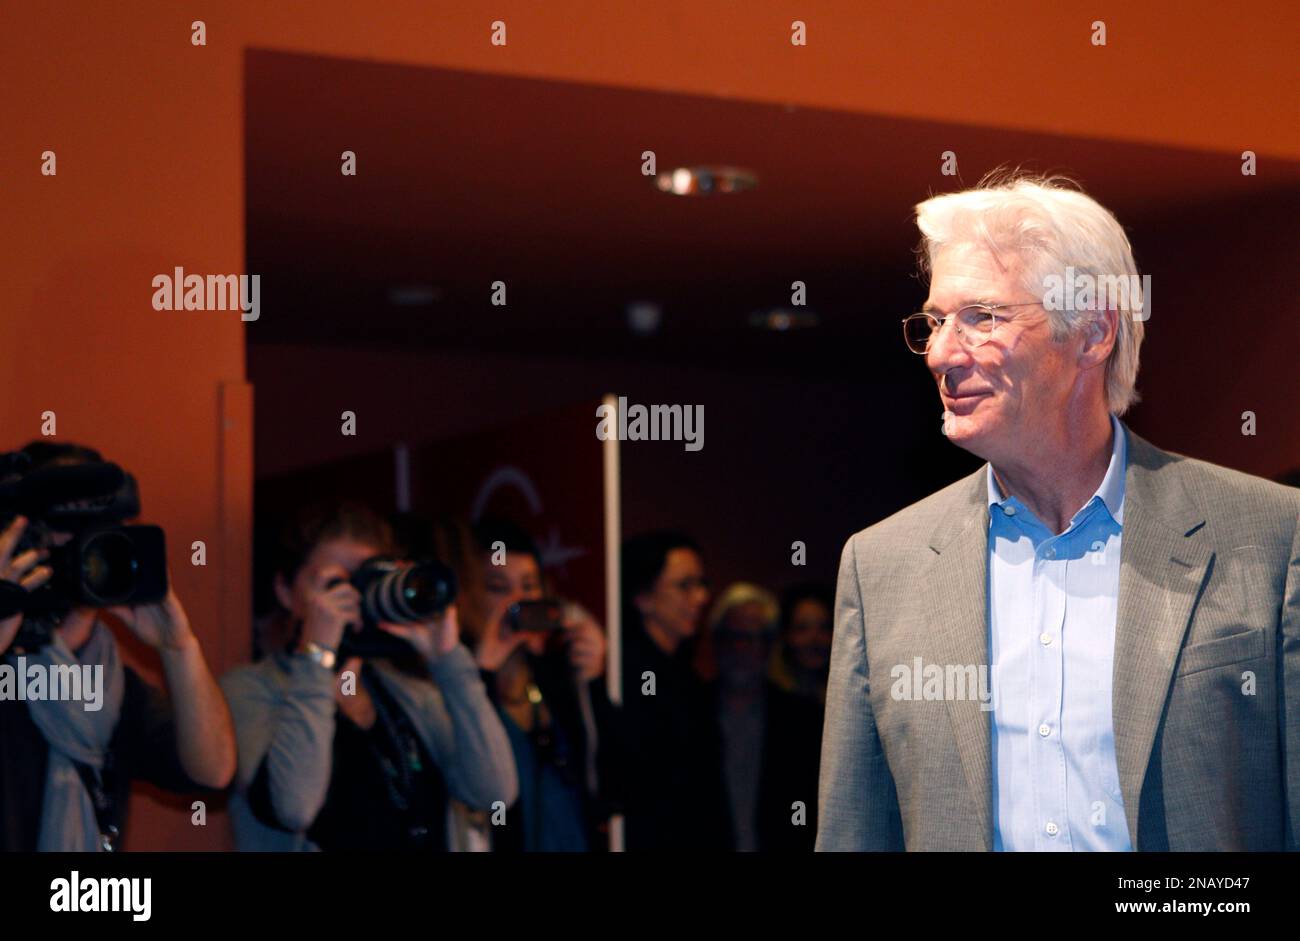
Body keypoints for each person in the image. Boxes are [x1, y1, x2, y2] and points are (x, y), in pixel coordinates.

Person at [818, 172, 1300, 852]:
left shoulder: (1271, 538)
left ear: (1093, 332)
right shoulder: (882, 566)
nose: (941, 353)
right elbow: (853, 833)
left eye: (981, 317)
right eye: (934, 321)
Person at [221, 502, 517, 851]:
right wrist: (316, 658)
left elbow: (493, 793)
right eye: (334, 583)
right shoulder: (249, 689)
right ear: (286, 591)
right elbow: (294, 807)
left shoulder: (409, 694)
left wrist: (449, 661)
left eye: (364, 581)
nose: (352, 597)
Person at [0, 441, 235, 852]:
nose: (80, 546)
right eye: (63, 526)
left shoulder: (109, 684)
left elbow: (212, 771)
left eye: (98, 527)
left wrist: (179, 648)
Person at [467, 519, 616, 851]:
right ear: (471, 597)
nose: (519, 602)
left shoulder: (557, 677)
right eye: (498, 587)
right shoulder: (460, 685)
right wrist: (482, 671)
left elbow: (616, 784)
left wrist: (593, 681)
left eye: (529, 586)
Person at [620, 530, 731, 850]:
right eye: (684, 586)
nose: (701, 597)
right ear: (643, 596)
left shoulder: (688, 678)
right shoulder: (624, 675)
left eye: (702, 584)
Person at [710, 583, 823, 851]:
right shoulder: (687, 714)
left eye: (753, 637)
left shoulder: (803, 721)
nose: (742, 648)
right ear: (717, 641)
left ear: (770, 644)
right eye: (733, 636)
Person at [769, 583, 833, 705]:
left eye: (824, 628)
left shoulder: (846, 693)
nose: (815, 639)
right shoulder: (771, 697)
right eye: (802, 628)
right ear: (785, 635)